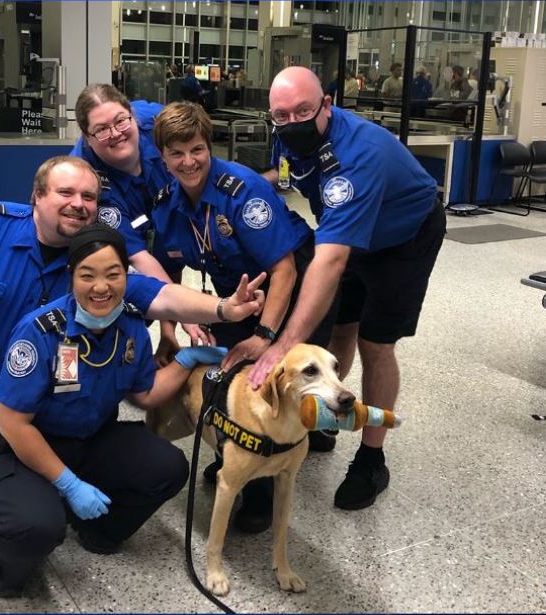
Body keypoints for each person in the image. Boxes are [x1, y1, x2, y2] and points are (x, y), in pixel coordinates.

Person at [0, 155, 266, 540]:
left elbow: (161, 296)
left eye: (89, 197)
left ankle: (34, 483)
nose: (78, 204)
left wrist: (223, 309)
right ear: (37, 197)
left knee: (55, 471)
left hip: (32, 399)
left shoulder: (92, 263)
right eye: (66, 192)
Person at [0, 224, 247, 597]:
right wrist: (68, 483)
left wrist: (187, 358)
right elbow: (15, 425)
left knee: (167, 467)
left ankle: (99, 532)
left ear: (126, 277)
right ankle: (6, 559)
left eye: (113, 274)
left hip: (89, 438)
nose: (101, 287)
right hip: (18, 447)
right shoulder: (39, 333)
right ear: (71, 277)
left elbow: (145, 395)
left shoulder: (129, 326)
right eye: (87, 275)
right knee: (33, 528)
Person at [254, 66, 446, 511]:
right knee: (341, 330)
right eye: (281, 115)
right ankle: (327, 416)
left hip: (405, 239)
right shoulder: (287, 133)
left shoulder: (359, 154)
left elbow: (331, 259)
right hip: (353, 231)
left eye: (304, 110)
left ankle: (372, 458)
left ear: (328, 103)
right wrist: (257, 183)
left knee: (375, 341)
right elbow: (289, 172)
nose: (292, 121)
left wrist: (284, 344)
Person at [149, 101, 340, 531]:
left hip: (296, 276)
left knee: (271, 369)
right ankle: (235, 455)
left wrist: (267, 336)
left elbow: (284, 269)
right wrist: (169, 329)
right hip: (239, 289)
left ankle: (261, 489)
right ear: (162, 157)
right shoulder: (166, 203)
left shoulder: (242, 192)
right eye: (176, 154)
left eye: (196, 149)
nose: (188, 161)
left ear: (208, 146)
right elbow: (167, 273)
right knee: (231, 371)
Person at [72, 84, 213, 364]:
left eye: (121, 120)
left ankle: (167, 335)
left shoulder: (158, 124)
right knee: (123, 307)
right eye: (101, 129)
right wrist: (183, 312)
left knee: (171, 247)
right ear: (87, 138)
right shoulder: (88, 180)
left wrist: (172, 325)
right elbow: (138, 256)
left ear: (133, 115)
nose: (115, 133)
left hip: (163, 219)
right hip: (121, 248)